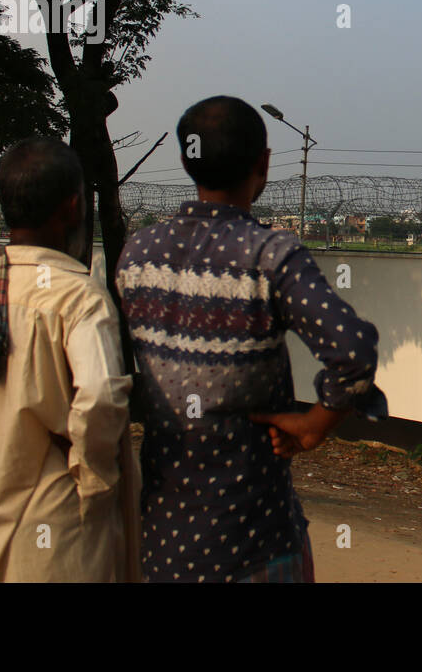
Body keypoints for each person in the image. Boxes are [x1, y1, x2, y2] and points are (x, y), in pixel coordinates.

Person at [115, 96, 386, 583]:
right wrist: (314, 426)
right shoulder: (269, 254)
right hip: (256, 537)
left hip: (163, 540)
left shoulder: (137, 254)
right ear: (263, 163)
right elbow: (353, 352)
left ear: (185, 161)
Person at [0, 138, 139, 581]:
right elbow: (103, 396)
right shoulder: (77, 298)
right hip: (57, 532)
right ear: (73, 207)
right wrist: (96, 483)